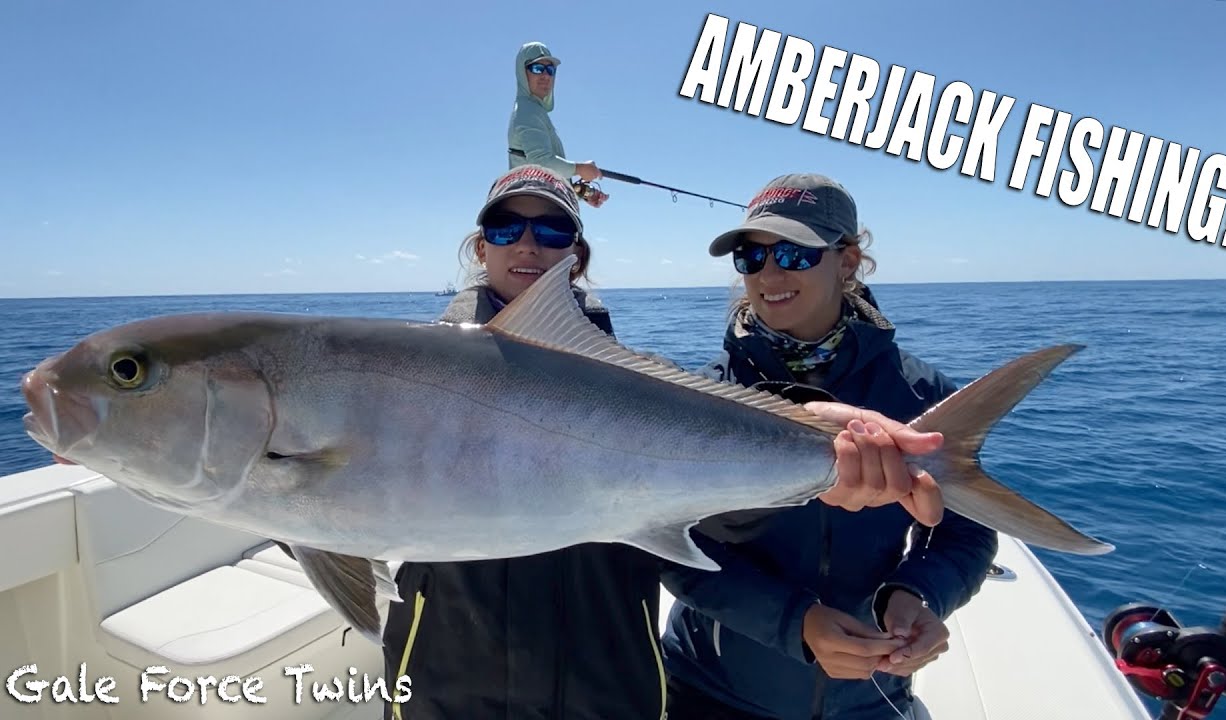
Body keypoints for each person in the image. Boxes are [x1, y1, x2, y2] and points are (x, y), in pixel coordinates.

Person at [40, 165, 952, 719]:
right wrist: (122, 441)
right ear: (479, 248)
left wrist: (813, 450)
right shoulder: (379, 369)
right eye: (506, 227)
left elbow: (709, 536)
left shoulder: (646, 389)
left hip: (610, 685)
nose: (528, 242)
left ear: (576, 259)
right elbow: (303, 500)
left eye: (553, 229)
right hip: (449, 684)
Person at [659, 173, 1000, 720]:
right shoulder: (705, 399)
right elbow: (674, 546)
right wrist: (796, 622)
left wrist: (917, 595)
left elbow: (966, 533)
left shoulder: (922, 399)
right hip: (713, 693)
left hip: (871, 697)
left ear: (847, 260)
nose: (769, 273)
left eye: (794, 254)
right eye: (751, 256)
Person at [506, 41, 609, 208]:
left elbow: (545, 179)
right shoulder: (528, 112)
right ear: (522, 73)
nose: (545, 76)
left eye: (550, 70)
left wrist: (583, 193)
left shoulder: (535, 111)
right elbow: (541, 164)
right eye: (537, 69)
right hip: (537, 211)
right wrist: (580, 168)